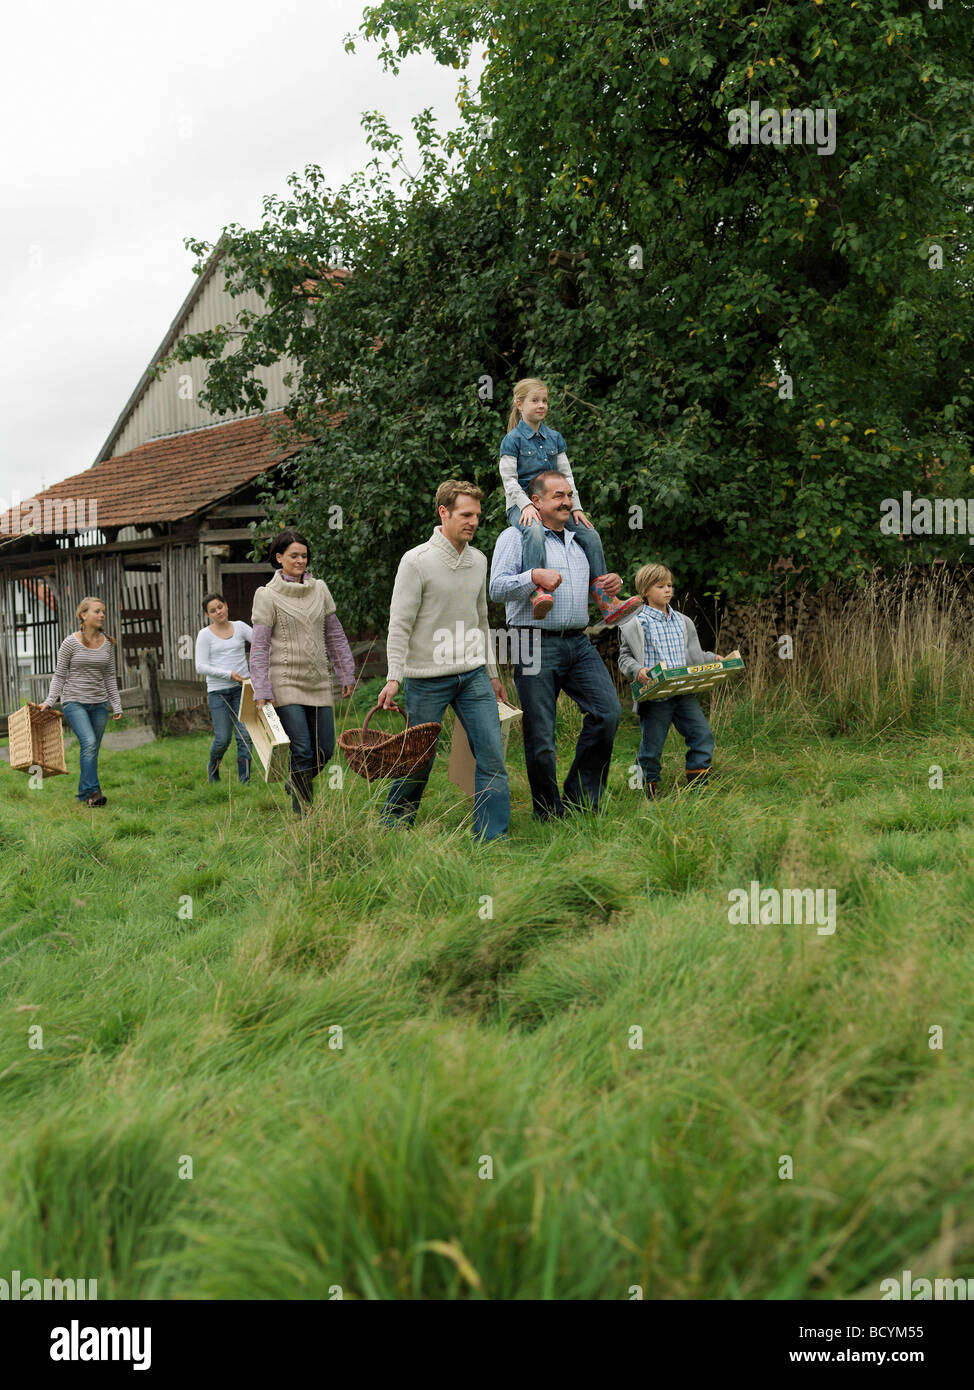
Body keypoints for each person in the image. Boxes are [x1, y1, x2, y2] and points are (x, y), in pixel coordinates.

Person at [376, 479, 510, 842]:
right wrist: (393, 676)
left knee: (492, 756)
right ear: (443, 513)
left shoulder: (479, 560)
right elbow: (400, 624)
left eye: (477, 516)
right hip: (426, 678)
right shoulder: (416, 562)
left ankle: (492, 837)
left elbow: (481, 620)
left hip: (473, 675)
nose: (474, 522)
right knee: (419, 760)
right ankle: (392, 827)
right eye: (466, 514)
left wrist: (492, 672)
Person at [489, 471, 622, 820]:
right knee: (542, 735)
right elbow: (496, 588)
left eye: (568, 495)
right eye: (557, 496)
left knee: (608, 713)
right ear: (536, 502)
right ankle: (547, 812)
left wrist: (610, 583)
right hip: (530, 641)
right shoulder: (514, 537)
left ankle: (582, 796)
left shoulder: (580, 539)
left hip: (578, 641)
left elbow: (597, 586)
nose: (566, 501)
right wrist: (533, 576)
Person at [498, 377, 642, 624]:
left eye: (545, 400)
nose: (542, 405)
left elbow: (566, 476)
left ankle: (604, 599)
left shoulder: (554, 438)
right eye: (535, 400)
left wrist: (576, 507)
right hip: (521, 504)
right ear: (519, 404)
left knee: (590, 534)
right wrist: (527, 505)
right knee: (533, 532)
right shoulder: (512, 440)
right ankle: (538, 592)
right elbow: (509, 480)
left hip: (555, 503)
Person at [249, 529, 356, 814]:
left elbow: (335, 635)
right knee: (303, 750)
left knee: (325, 750)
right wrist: (262, 689)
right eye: (294, 555)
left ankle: (296, 781)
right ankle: (304, 814)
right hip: (284, 683)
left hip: (319, 681)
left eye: (304, 555)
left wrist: (346, 672)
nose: (300, 561)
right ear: (279, 557)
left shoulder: (320, 589)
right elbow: (259, 648)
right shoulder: (266, 595)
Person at [616, 563, 739, 800]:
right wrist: (638, 670)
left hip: (684, 691)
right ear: (645, 591)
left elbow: (693, 655)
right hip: (655, 695)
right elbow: (625, 657)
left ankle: (698, 784)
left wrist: (713, 658)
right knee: (651, 748)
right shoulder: (635, 624)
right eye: (660, 586)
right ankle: (642, 788)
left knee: (701, 735)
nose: (667, 590)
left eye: (670, 585)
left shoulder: (683, 621)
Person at [40, 595, 122, 807]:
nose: (102, 614)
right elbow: (59, 675)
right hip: (74, 702)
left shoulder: (107, 644)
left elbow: (110, 676)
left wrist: (116, 704)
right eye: (97, 611)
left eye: (103, 611)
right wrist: (50, 700)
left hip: (100, 704)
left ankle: (86, 793)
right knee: (89, 742)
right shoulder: (70, 642)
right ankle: (93, 792)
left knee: (92, 749)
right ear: (83, 615)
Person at [194, 593, 254, 784]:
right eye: (213, 610)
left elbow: (261, 644)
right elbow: (200, 666)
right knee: (223, 738)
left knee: (245, 735)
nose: (218, 612)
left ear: (226, 606)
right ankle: (213, 768)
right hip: (218, 692)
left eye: (220, 607)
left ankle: (245, 780)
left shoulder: (240, 627)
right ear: (208, 614)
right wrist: (229, 674)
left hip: (241, 689)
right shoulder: (205, 635)